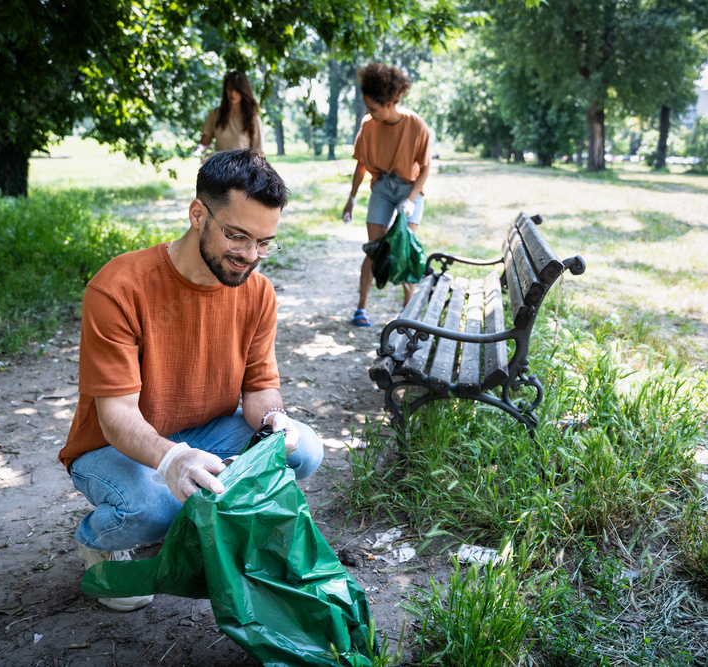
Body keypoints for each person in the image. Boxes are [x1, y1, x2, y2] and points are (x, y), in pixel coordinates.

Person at [58, 149, 323, 612]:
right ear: (198, 213)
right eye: (238, 236)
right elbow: (116, 416)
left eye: (265, 242)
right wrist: (173, 459)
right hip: (112, 445)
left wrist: (275, 420)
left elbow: (260, 388)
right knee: (153, 508)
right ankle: (97, 540)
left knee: (303, 450)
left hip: (208, 430)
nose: (251, 257)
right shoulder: (118, 287)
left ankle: (200, 519)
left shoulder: (258, 292)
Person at [341, 62, 431, 327]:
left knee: (403, 250)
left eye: (373, 108)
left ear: (390, 103)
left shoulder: (416, 126)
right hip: (381, 186)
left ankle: (407, 311)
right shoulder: (369, 126)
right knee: (374, 250)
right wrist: (352, 199)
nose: (369, 113)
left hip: (409, 188)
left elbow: (425, 169)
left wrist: (410, 200)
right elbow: (361, 164)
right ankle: (361, 308)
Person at [193, 71, 264, 159]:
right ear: (225, 89)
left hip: (242, 170)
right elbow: (204, 143)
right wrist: (199, 150)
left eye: (237, 89)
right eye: (230, 88)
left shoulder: (253, 118)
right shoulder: (215, 114)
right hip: (220, 169)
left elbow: (259, 153)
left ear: (243, 91)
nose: (233, 93)